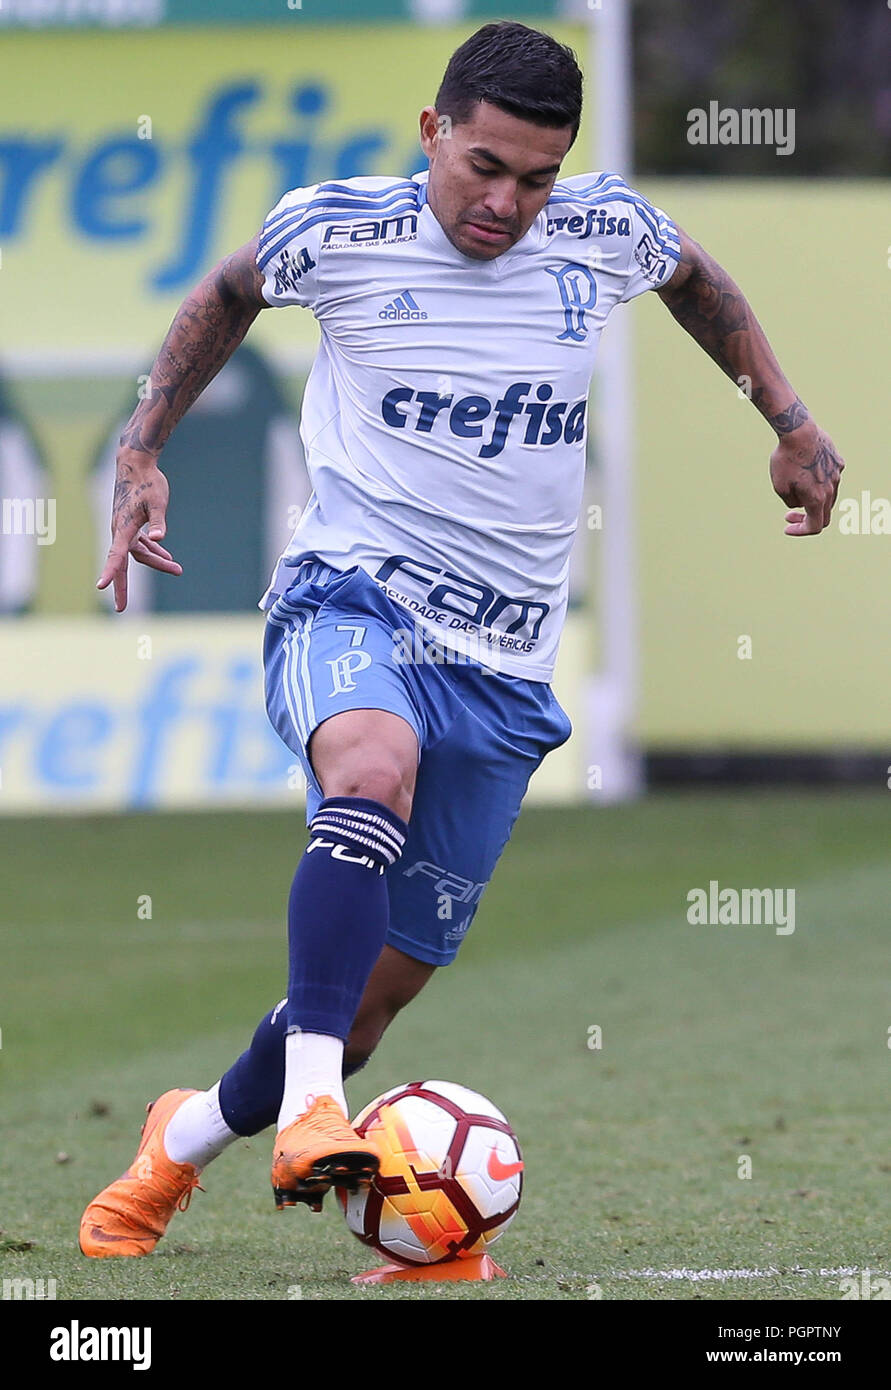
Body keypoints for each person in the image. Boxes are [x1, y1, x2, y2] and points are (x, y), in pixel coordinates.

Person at [80, 21, 844, 1257]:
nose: (506, 202)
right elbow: (223, 294)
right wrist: (139, 451)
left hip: (504, 668)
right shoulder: (338, 229)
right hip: (353, 597)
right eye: (483, 166)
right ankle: (317, 1110)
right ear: (433, 131)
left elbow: (701, 281)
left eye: (536, 178)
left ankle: (181, 1142)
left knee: (369, 1000)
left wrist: (793, 420)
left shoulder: (602, 231)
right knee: (370, 764)